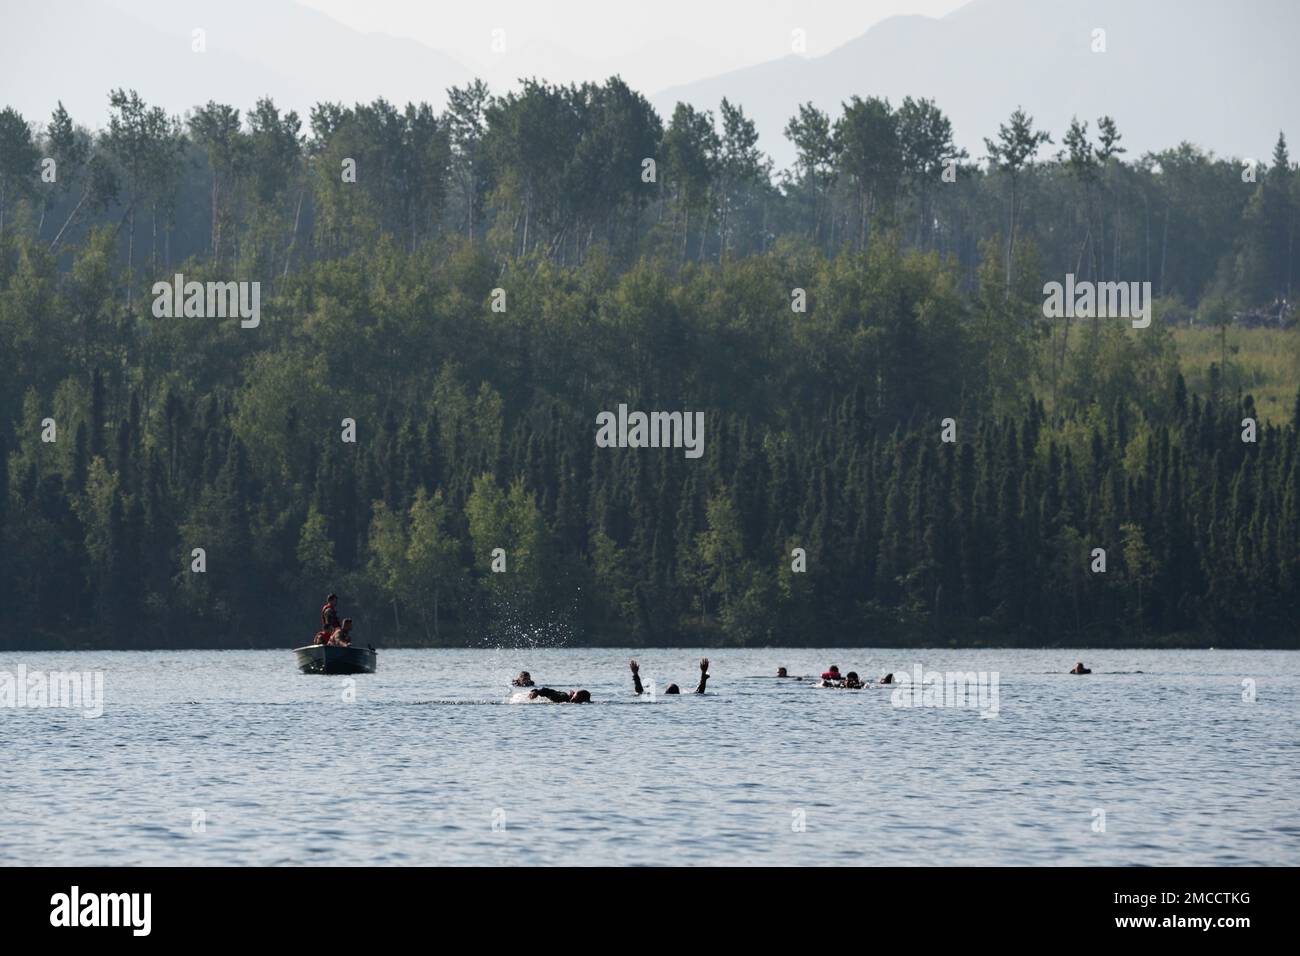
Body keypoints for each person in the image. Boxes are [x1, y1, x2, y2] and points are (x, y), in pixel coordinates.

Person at [630, 658, 709, 695]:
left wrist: (635, 674)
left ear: (665, 692)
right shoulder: (686, 696)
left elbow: (639, 691)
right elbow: (699, 692)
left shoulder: (656, 696)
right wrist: (703, 673)